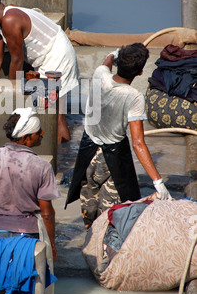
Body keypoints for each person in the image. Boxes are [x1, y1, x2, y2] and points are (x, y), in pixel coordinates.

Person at [65, 43, 172, 231]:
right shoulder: (134, 96)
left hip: (87, 154)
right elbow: (138, 143)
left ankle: (90, 245)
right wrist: (158, 181)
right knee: (110, 217)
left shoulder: (99, 74)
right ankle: (105, 255)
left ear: (117, 63)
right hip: (112, 159)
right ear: (139, 73)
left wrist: (112, 54)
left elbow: (106, 62)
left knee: (89, 211)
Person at [0, 0, 80, 143]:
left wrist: (13, 94)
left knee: (53, 115)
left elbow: (17, 60)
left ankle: (61, 159)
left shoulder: (9, 20)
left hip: (57, 56)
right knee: (49, 111)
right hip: (49, 56)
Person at [0, 107, 59, 261]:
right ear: (26, 137)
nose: (42, 133)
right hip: (28, 235)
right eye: (38, 132)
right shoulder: (42, 166)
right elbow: (47, 213)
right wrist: (53, 246)